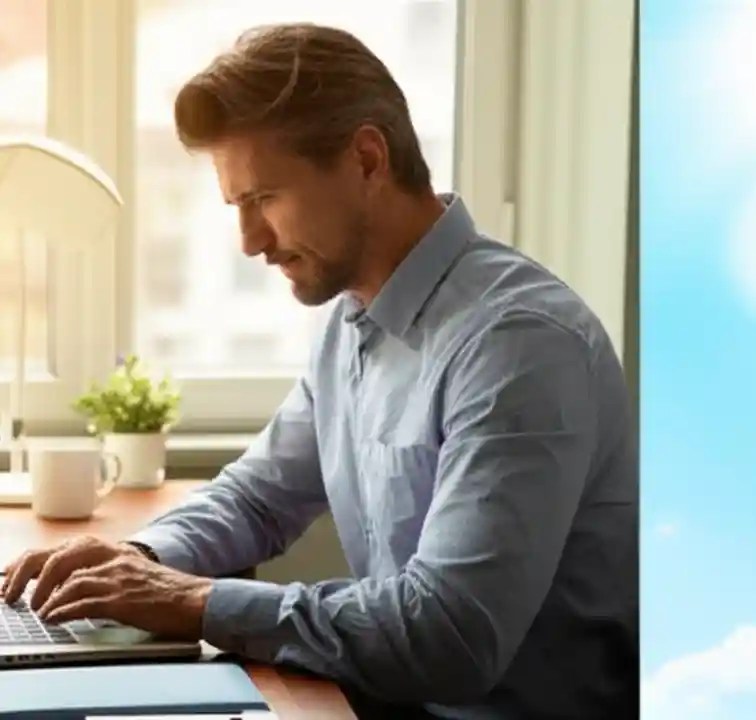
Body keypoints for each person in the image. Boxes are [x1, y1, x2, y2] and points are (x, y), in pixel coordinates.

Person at [0, 22, 638, 720]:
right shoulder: (354, 319)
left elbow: (451, 635)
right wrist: (132, 559)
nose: (248, 242)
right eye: (237, 207)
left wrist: (196, 602)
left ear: (367, 158)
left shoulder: (518, 344)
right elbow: (259, 499)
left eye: (263, 199)